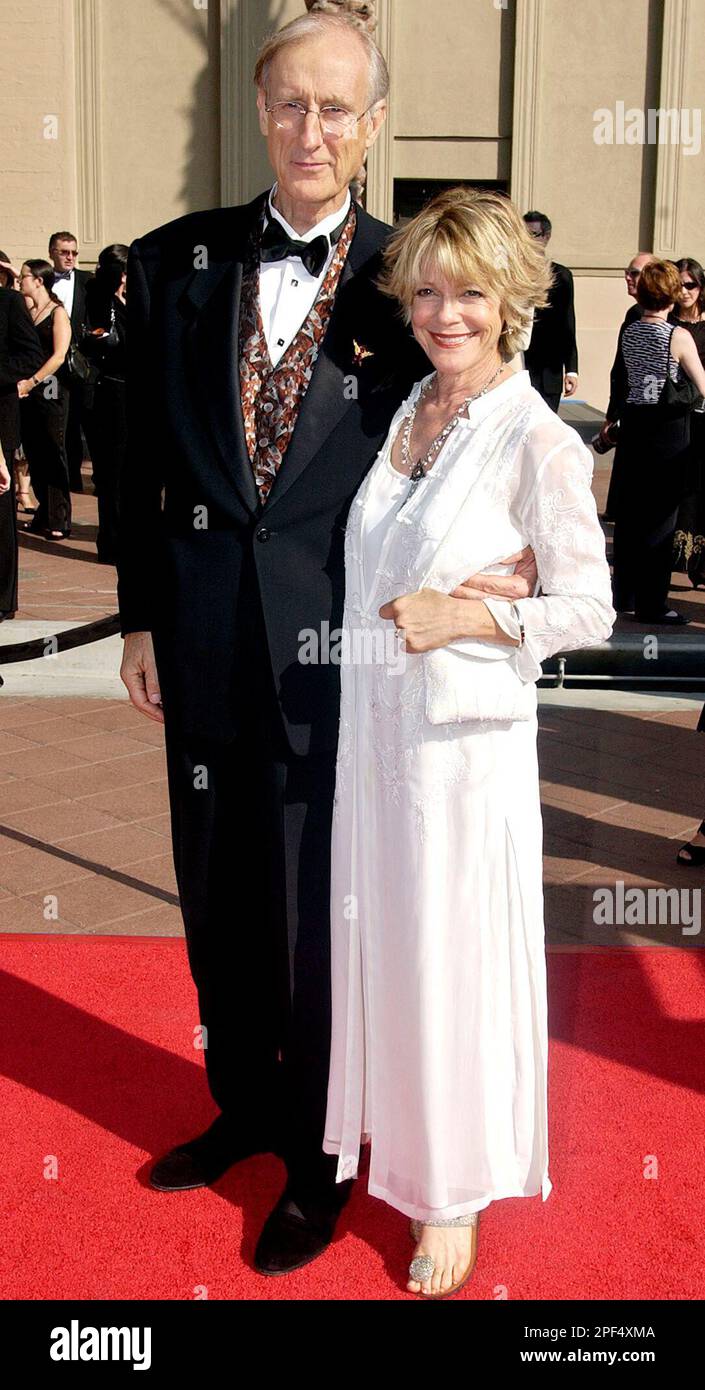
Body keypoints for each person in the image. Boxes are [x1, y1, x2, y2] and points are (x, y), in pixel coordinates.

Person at [117, 8, 534, 1277]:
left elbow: (493, 406)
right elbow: (139, 453)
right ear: (259, 109)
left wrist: (506, 555)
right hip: (196, 636)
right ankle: (242, 1100)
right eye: (291, 104)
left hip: (345, 655)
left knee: (317, 903)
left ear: (372, 123)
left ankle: (319, 1151)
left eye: (337, 108)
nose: (312, 129)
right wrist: (142, 609)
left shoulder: (412, 282)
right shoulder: (170, 261)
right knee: (217, 886)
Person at [322, 186, 615, 1298]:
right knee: (390, 948)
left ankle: (453, 1194)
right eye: (429, 292)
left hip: (460, 751)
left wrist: (478, 614)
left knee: (448, 962)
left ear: (512, 302)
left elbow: (590, 609)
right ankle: (390, 1139)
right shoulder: (407, 413)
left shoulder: (535, 434)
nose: (447, 313)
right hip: (376, 743)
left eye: (472, 293)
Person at [611, 259, 705, 624]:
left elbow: (624, 378)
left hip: (636, 426)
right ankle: (653, 603)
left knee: (632, 518)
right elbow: (701, 384)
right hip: (668, 432)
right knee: (661, 521)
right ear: (670, 296)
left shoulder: (630, 330)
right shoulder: (677, 336)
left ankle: (624, 595)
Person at [597, 252, 655, 521]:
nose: (627, 278)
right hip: (633, 409)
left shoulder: (662, 316)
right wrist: (612, 414)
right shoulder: (634, 313)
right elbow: (620, 369)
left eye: (634, 273)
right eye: (627, 271)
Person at [16, 260, 72, 539]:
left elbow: (59, 356)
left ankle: (59, 519)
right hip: (28, 393)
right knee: (35, 453)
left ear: (39, 281)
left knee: (53, 451)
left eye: (24, 276)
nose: (19, 280)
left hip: (50, 389)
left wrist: (33, 380)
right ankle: (43, 513)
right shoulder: (28, 309)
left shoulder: (57, 312)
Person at [82, 244, 128, 563]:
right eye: (122, 271)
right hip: (107, 393)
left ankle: (128, 536)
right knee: (110, 473)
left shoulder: (137, 297)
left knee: (130, 473)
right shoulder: (96, 297)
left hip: (134, 395)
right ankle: (111, 541)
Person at [0, 270, 42, 618]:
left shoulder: (9, 303)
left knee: (0, 511)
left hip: (0, 414)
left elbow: (31, 356)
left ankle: (2, 600)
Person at [48, 231, 93, 492]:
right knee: (61, 425)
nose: (70, 257)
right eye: (64, 252)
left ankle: (96, 478)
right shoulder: (42, 280)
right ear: (52, 252)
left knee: (87, 419)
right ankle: (68, 477)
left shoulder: (87, 282)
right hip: (52, 364)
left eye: (74, 252)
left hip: (81, 364)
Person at [670, 259, 705, 588]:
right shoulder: (667, 326)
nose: (684, 292)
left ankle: (701, 564)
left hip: (704, 419)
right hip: (676, 420)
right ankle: (677, 555)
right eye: (679, 285)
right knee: (680, 490)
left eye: (690, 285)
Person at [522, 210, 578, 411]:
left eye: (533, 234)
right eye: (523, 234)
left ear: (546, 237)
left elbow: (568, 323)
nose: (527, 240)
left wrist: (571, 370)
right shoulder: (510, 272)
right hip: (518, 364)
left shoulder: (561, 275)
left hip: (548, 371)